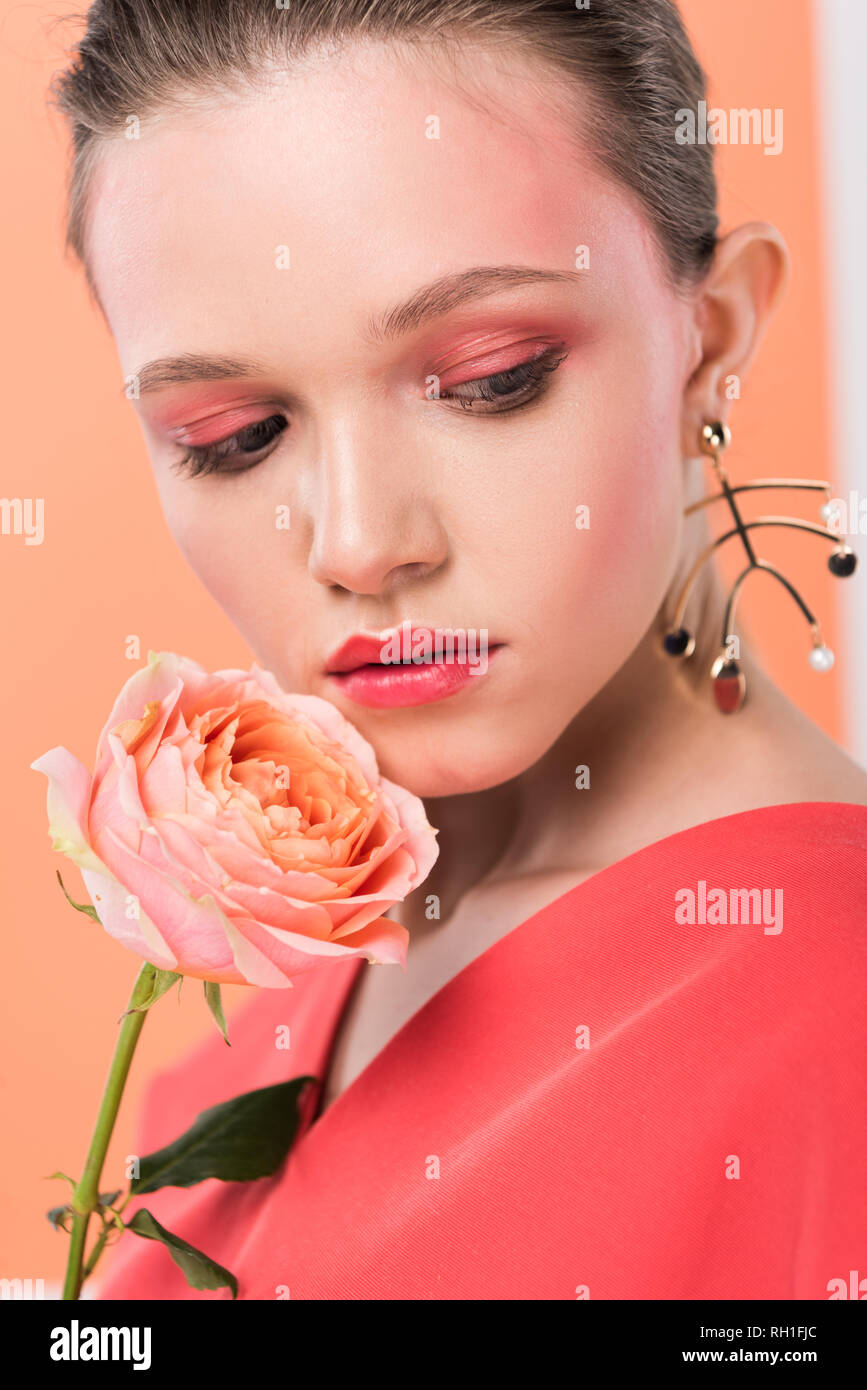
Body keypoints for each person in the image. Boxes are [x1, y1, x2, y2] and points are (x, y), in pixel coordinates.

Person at [50, 0, 867, 1299]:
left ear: (710, 339)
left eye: (490, 376)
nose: (364, 542)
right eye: (235, 435)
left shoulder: (838, 1018)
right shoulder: (240, 1040)